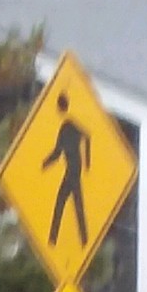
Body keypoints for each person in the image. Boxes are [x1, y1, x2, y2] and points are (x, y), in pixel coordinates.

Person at [43, 100, 91, 249]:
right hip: (72, 169)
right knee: (75, 205)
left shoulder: (69, 125)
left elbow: (87, 136)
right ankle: (82, 240)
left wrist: (88, 162)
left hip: (73, 170)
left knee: (63, 203)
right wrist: (45, 164)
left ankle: (53, 240)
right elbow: (57, 153)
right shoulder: (66, 127)